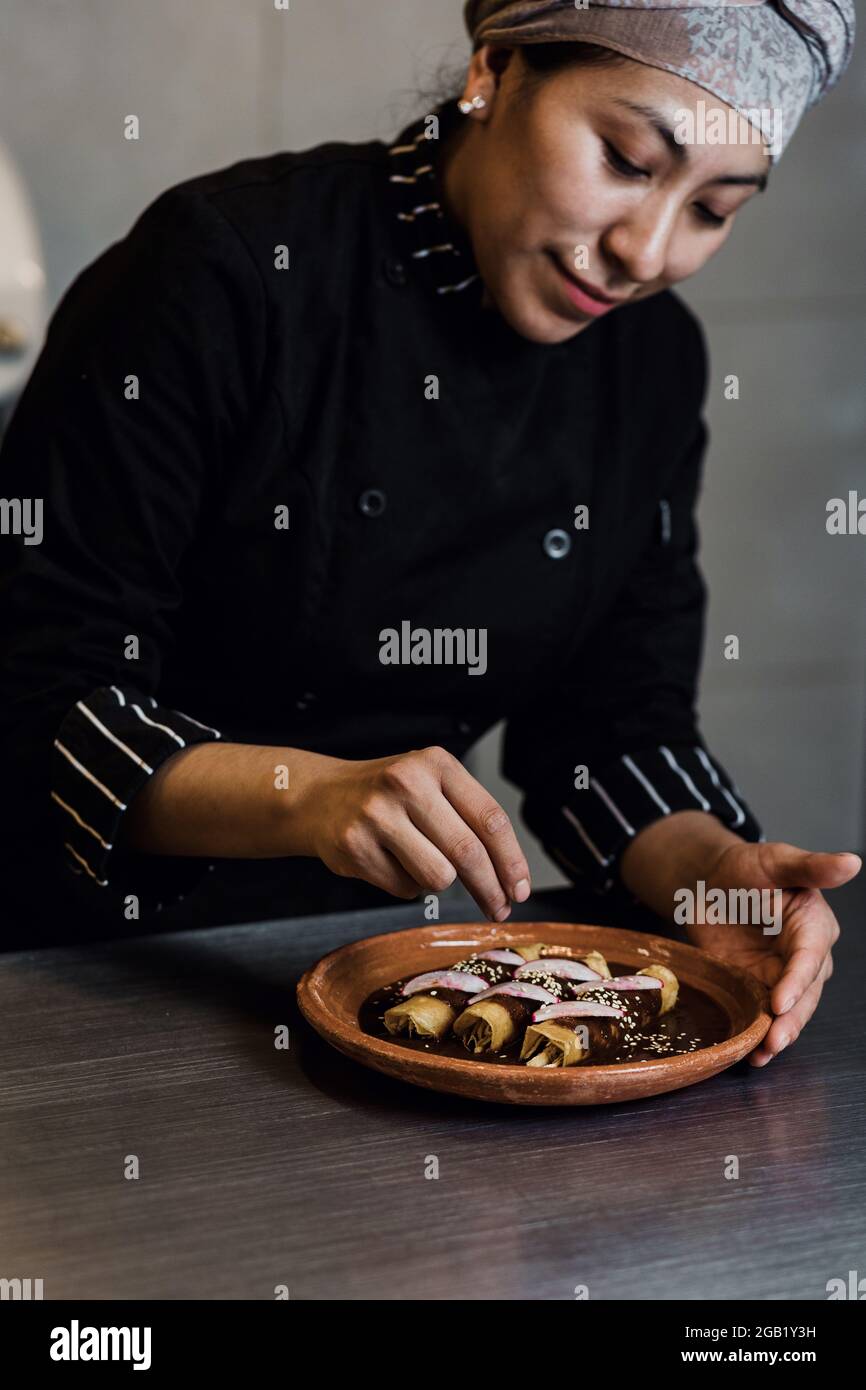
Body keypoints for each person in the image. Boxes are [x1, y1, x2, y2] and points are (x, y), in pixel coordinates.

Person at [0, 0, 858, 1066]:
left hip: (382, 976)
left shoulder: (649, 363)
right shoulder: (224, 269)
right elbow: (36, 693)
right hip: (75, 964)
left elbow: (609, 724)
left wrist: (709, 870)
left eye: (714, 208)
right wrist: (304, 795)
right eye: (627, 159)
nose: (645, 250)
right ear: (493, 70)